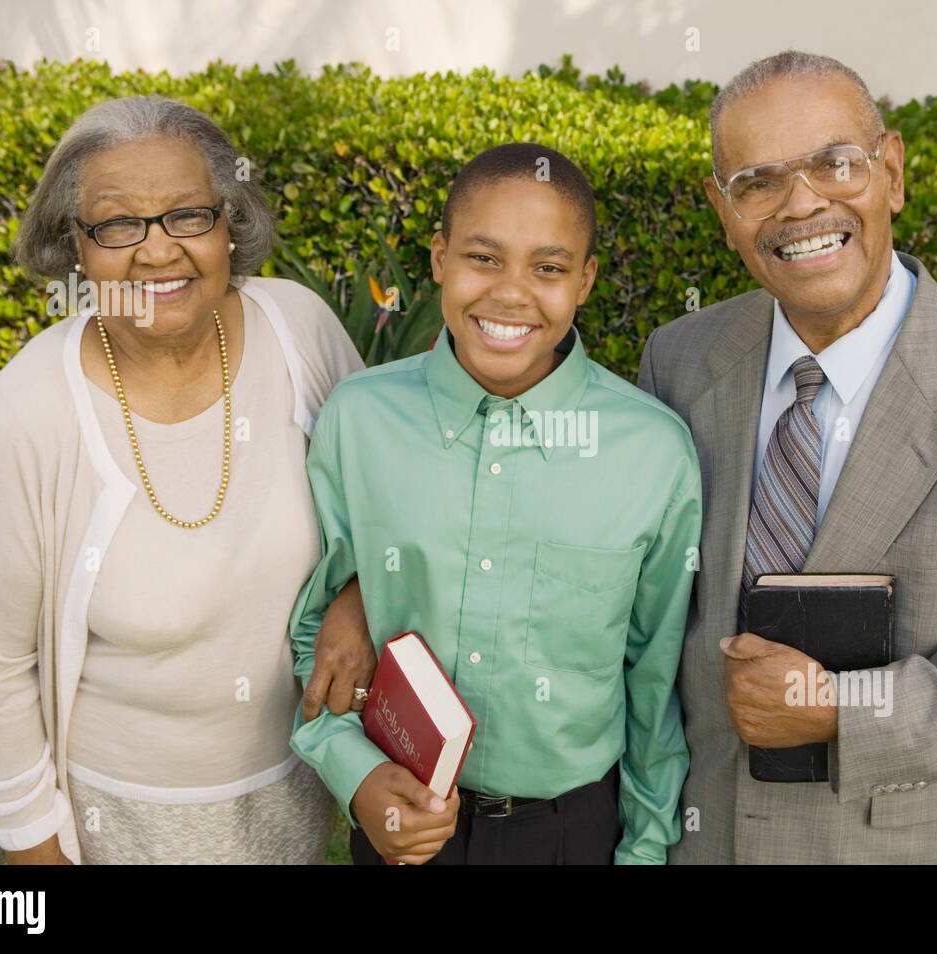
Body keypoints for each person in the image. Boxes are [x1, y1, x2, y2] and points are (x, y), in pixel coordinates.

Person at [637, 51, 937, 864]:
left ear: (890, 172)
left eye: (834, 163)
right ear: (725, 212)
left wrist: (842, 711)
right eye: (757, 181)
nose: (801, 204)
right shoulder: (680, 360)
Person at [0, 95, 364, 864]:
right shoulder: (30, 408)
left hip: (297, 786)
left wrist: (359, 596)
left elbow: (380, 503)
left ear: (227, 224)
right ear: (75, 245)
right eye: (117, 225)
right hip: (126, 817)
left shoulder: (299, 329)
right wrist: (33, 848)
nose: (156, 250)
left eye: (187, 215)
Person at [288, 143, 702, 864]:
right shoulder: (360, 421)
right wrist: (355, 778)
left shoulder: (652, 452)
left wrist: (644, 850)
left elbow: (656, 679)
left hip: (570, 834)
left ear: (585, 280)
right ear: (439, 258)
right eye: (484, 258)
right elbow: (310, 638)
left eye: (548, 268)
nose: (511, 294)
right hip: (400, 822)